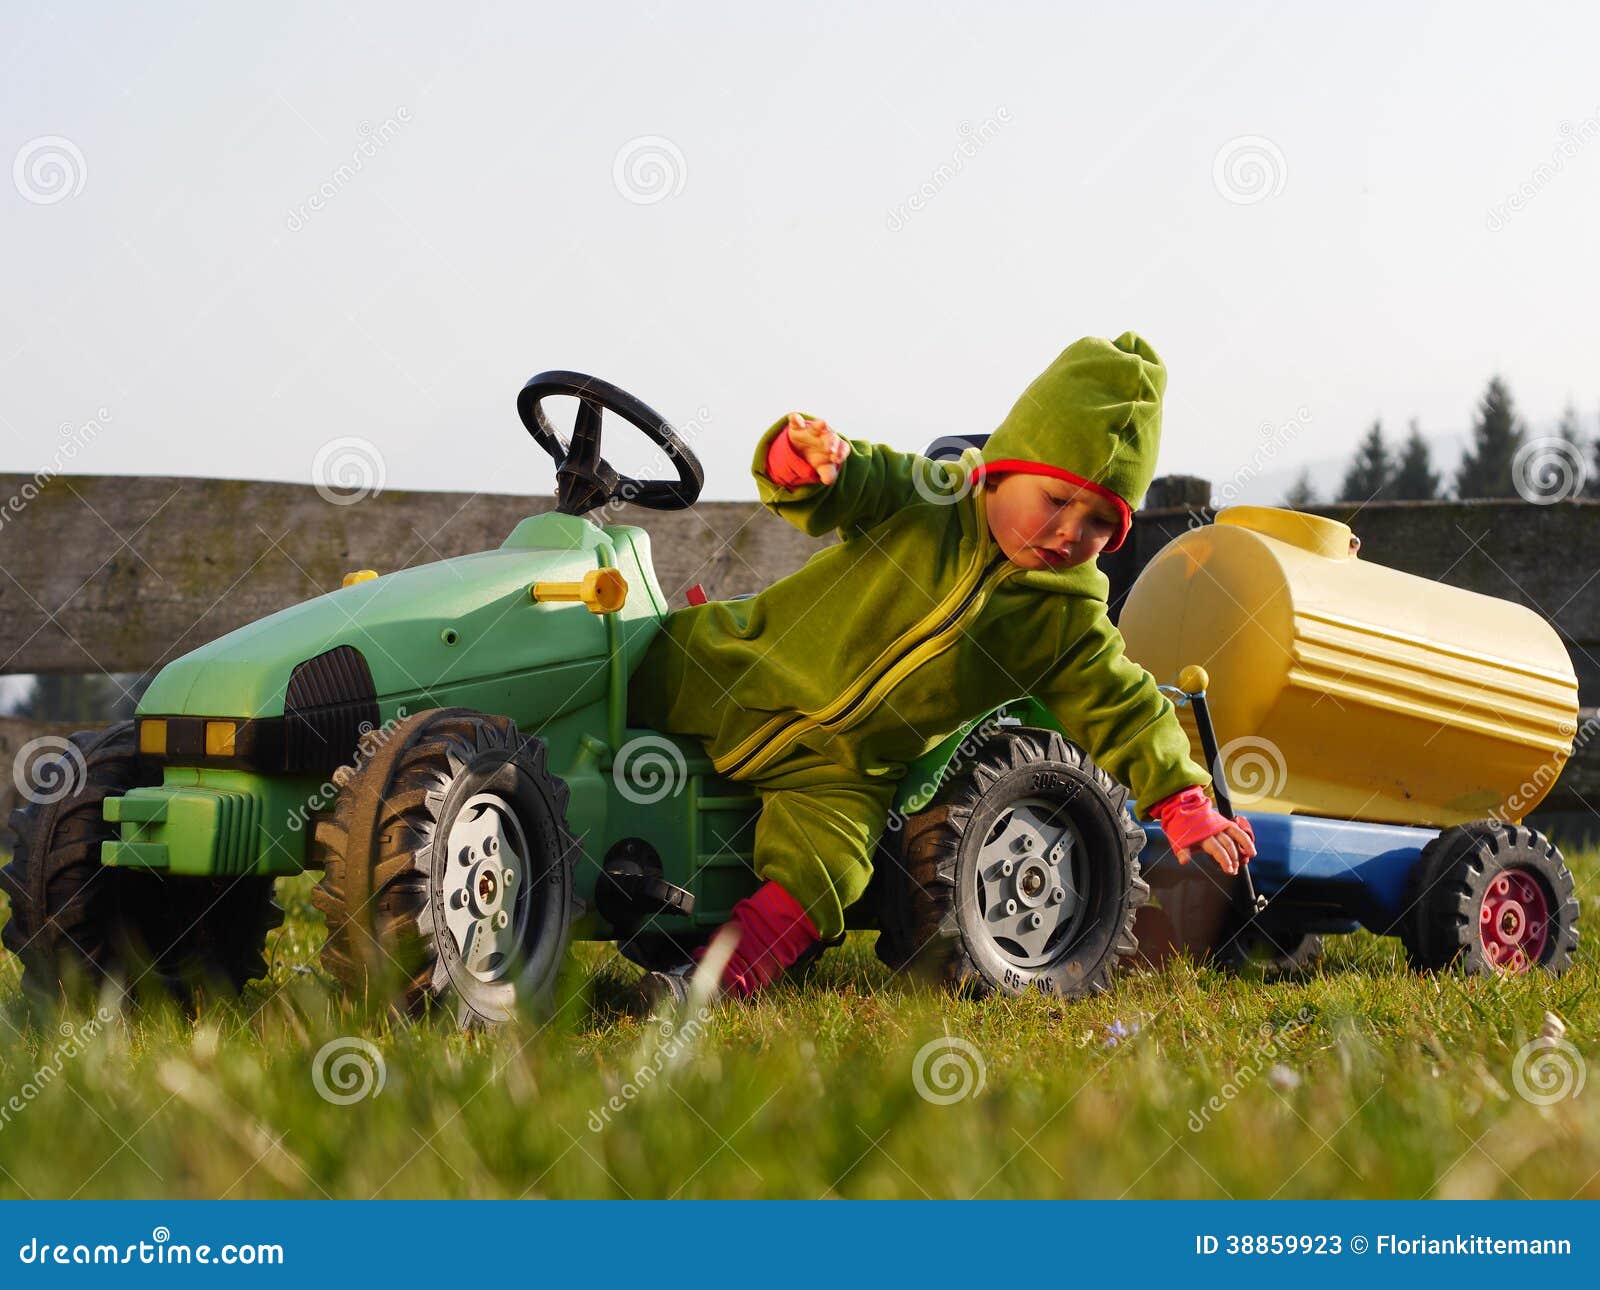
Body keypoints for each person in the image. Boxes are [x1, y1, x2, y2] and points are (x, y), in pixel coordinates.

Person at [625, 332, 1254, 1005]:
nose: (1071, 533)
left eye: (1101, 520)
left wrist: (1182, 800)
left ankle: (714, 978)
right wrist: (805, 462)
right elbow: (854, 481)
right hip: (733, 666)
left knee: (829, 870)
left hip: (843, 766)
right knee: (611, 670)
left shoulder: (1066, 621)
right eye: (1055, 500)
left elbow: (1123, 705)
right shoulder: (930, 499)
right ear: (1004, 470)